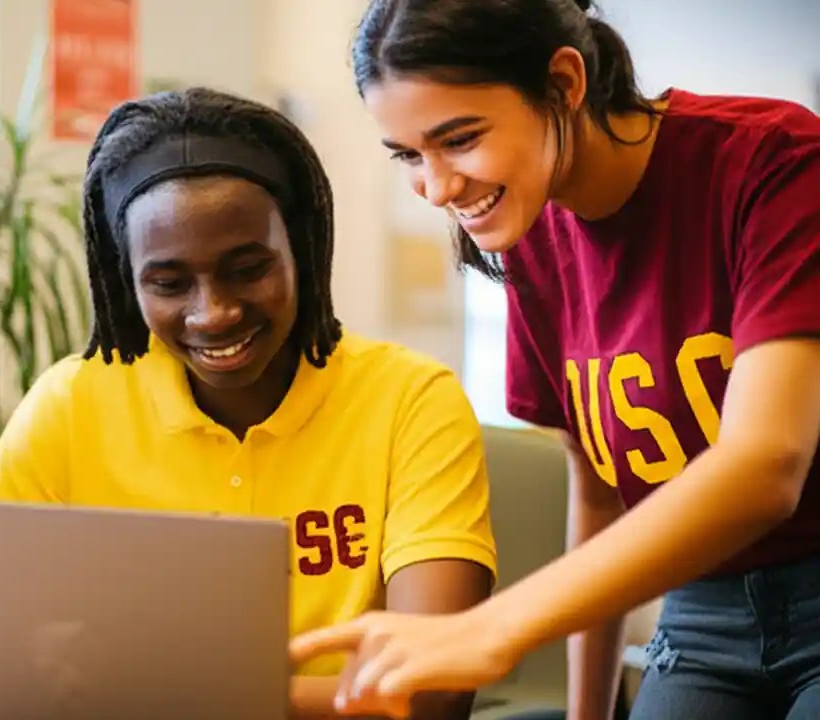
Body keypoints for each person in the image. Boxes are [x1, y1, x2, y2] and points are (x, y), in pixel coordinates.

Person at [290, 0, 820, 718]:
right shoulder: (530, 235)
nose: (439, 188)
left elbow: (765, 467)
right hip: (705, 612)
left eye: (460, 138)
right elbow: (599, 495)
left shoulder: (772, 157)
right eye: (411, 155)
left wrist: (493, 628)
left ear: (564, 83)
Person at [0, 87, 497, 720]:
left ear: (300, 249)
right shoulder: (69, 406)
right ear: (125, 279)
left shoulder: (411, 402)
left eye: (248, 268)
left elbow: (434, 690)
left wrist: (148, 695)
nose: (213, 312)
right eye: (168, 283)